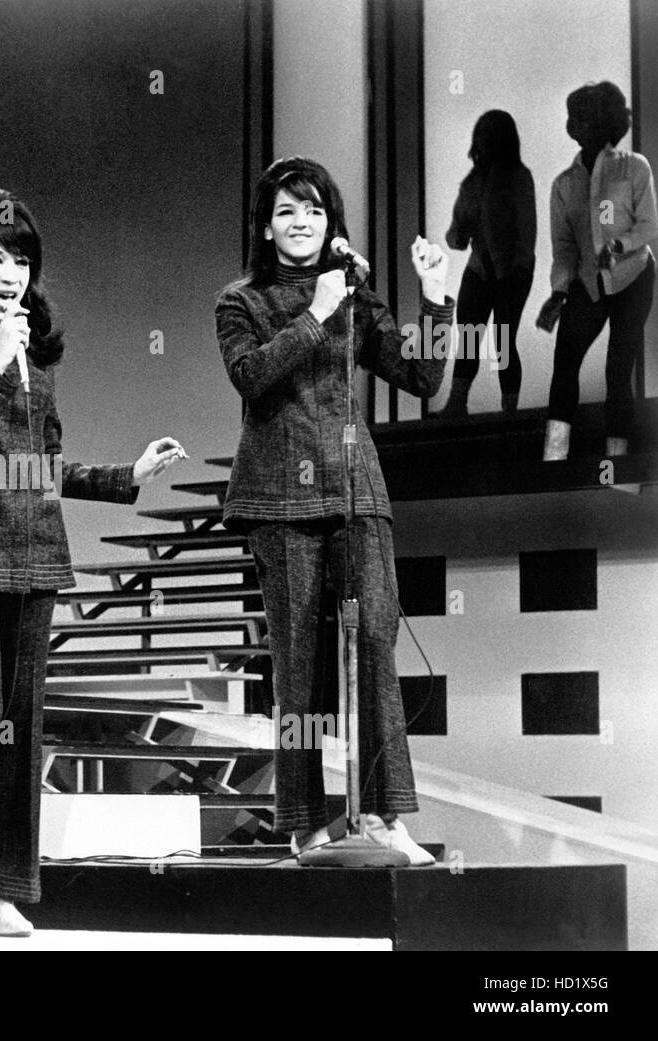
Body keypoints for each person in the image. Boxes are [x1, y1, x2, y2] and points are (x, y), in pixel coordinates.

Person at [0, 187, 185, 936]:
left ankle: (0, 888)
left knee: (20, 724)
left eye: (21, 260)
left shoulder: (36, 357)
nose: (10, 273)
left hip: (33, 557)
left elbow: (40, 466)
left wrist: (127, 474)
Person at [214, 156, 451, 866]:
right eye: (287, 211)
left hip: (355, 489)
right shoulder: (241, 301)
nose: (302, 223)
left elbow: (421, 373)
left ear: (331, 222)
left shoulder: (353, 289)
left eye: (314, 211)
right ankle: (304, 820)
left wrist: (437, 299)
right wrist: (317, 311)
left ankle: (383, 813)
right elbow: (252, 376)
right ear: (265, 226)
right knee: (299, 662)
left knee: (376, 637)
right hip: (279, 497)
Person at [536, 81, 657, 460]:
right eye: (573, 118)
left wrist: (618, 246)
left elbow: (649, 226)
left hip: (634, 277)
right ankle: (554, 458)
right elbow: (565, 250)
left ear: (604, 122)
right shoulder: (564, 185)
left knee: (618, 370)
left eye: (584, 117)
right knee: (565, 362)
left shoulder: (633, 167)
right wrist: (558, 292)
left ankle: (617, 462)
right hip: (589, 285)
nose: (576, 125)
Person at [440, 109, 536, 416]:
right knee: (470, 337)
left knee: (503, 343)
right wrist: (462, 229)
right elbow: (456, 237)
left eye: (487, 136)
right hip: (481, 269)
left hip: (509, 272)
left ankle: (508, 410)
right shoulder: (473, 182)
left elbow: (526, 232)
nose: (481, 142)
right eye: (480, 136)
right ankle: (458, 404)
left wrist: (517, 271)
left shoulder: (518, 178)